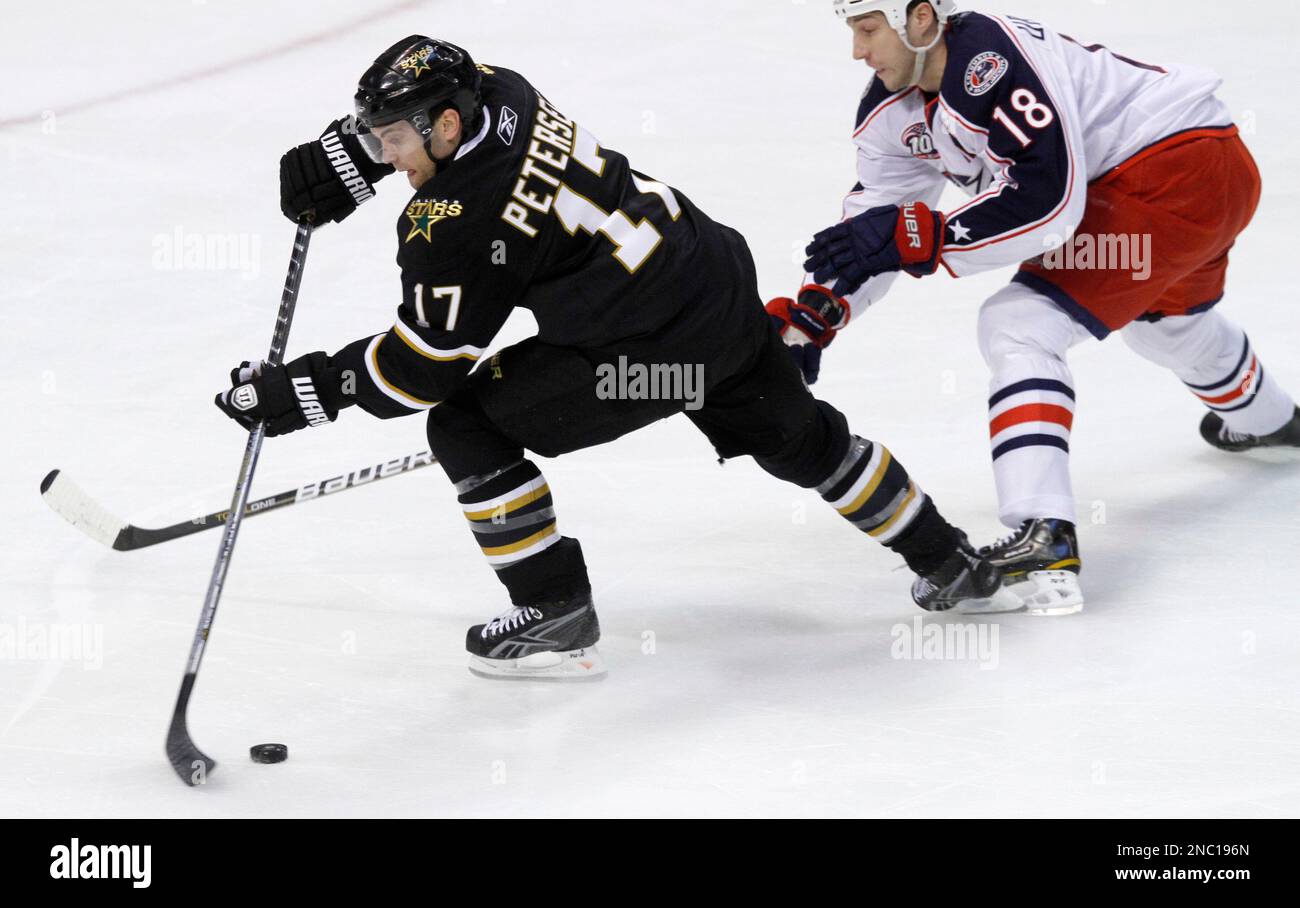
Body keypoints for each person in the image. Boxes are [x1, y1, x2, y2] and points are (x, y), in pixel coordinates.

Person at [213, 35, 1020, 680]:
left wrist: (306, 390)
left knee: (465, 426)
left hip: (641, 357)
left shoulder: (456, 220)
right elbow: (443, 110)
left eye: (393, 142)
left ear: (446, 127)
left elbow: (423, 369)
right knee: (806, 440)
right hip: (710, 281)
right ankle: (951, 562)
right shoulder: (503, 88)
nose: (390, 158)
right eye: (379, 142)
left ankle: (553, 608)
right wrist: (346, 158)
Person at [768, 0, 1300, 616]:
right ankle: (1275, 422)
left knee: (1019, 325)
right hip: (1206, 172)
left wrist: (923, 236)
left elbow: (1049, 208)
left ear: (921, 17)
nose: (856, 49)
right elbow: (868, 226)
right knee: (1169, 326)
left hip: (1168, 171)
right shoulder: (892, 109)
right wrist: (816, 315)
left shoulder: (990, 62)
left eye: (869, 28)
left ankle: (1044, 534)